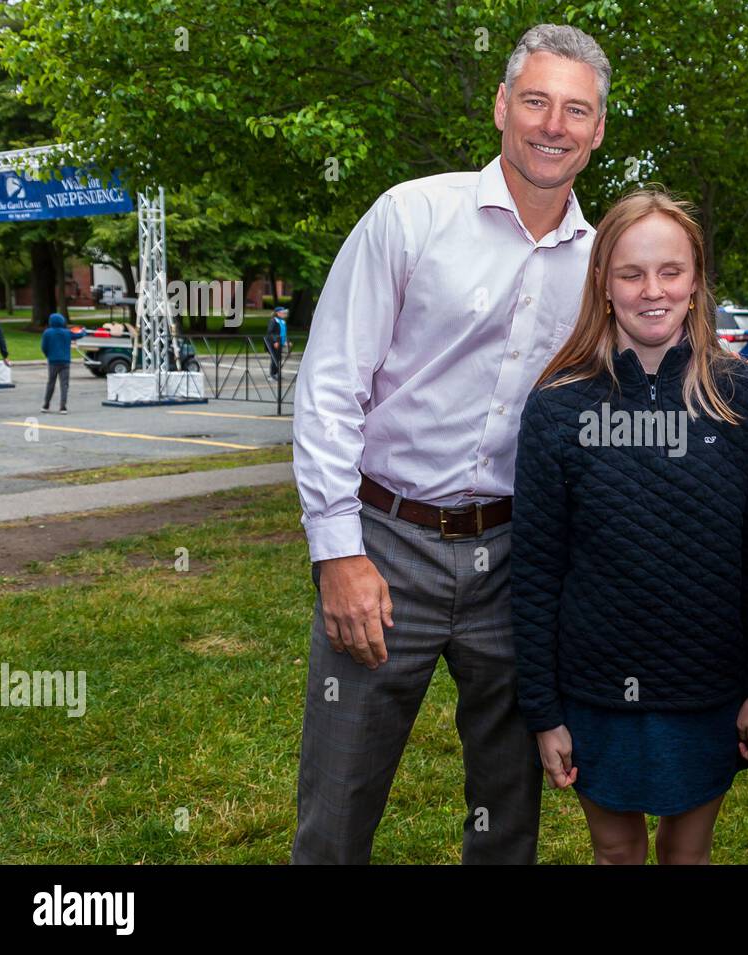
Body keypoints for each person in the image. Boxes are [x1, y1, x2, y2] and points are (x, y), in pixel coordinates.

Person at [290, 23, 610, 865]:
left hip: (516, 553)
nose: (553, 124)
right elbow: (329, 387)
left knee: (508, 807)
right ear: (503, 105)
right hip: (385, 541)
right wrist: (337, 554)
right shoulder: (412, 214)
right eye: (536, 100)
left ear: (599, 130)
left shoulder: (601, 263)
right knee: (339, 801)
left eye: (576, 109)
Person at [511, 190, 748, 865]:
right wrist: (545, 712)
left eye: (671, 271)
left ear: (695, 283)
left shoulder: (746, 398)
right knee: (616, 852)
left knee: (687, 854)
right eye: (631, 273)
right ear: (603, 284)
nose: (652, 290)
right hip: (597, 690)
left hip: (709, 686)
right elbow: (537, 572)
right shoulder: (556, 410)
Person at [40, 312, 86, 415]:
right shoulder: (66, 332)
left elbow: (44, 347)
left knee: (51, 383)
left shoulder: (47, 333)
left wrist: (48, 355)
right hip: (65, 361)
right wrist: (84, 330)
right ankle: (63, 406)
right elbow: (79, 335)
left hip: (52, 361)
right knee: (64, 384)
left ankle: (46, 405)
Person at [265, 305, 289, 378]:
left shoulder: (282, 321)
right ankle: (272, 374)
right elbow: (270, 332)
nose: (284, 314)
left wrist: (287, 341)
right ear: (278, 313)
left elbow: (283, 332)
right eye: (282, 312)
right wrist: (275, 341)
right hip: (273, 343)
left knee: (278, 358)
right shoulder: (273, 321)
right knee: (274, 358)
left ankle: (277, 373)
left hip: (280, 342)